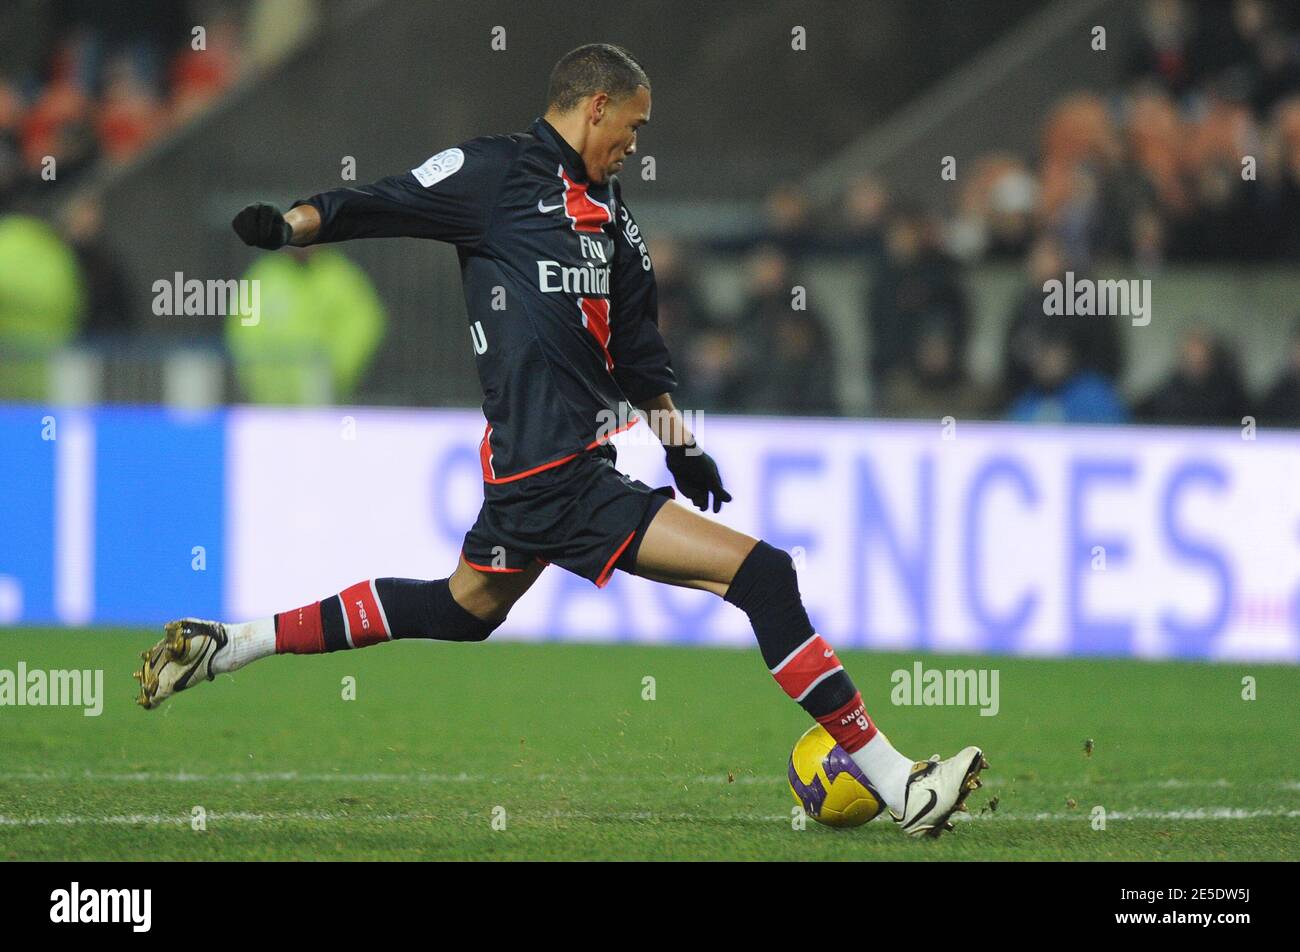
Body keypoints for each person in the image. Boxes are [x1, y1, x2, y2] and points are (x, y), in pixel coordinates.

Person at [133, 43, 985, 837]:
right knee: (765, 575)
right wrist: (292, 228)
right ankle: (901, 782)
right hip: (556, 475)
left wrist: (679, 443)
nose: (634, 146)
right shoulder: (493, 173)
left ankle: (231, 645)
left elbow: (636, 347)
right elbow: (382, 201)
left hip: (552, 473)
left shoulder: (612, 214)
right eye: (634, 128)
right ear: (597, 107)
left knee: (462, 610)